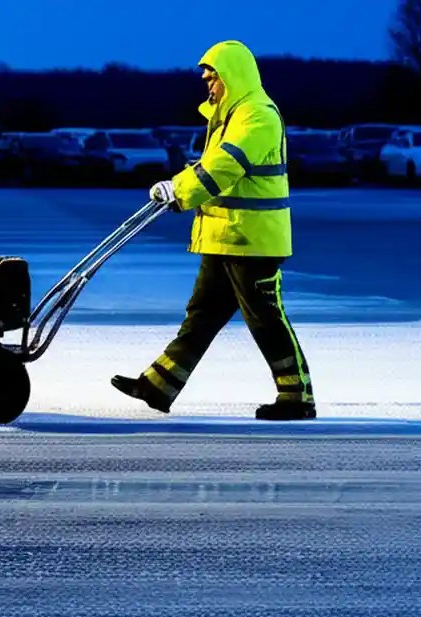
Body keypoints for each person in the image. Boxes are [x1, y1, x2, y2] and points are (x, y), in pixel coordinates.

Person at [111, 40, 315, 421]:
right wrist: (180, 183)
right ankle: (160, 384)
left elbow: (224, 166)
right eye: (206, 78)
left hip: (253, 240)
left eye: (213, 77)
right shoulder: (231, 116)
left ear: (232, 76)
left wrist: (180, 189)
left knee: (265, 317)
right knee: (202, 314)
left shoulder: (257, 116)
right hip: (227, 236)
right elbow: (214, 167)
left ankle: (297, 396)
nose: (208, 85)